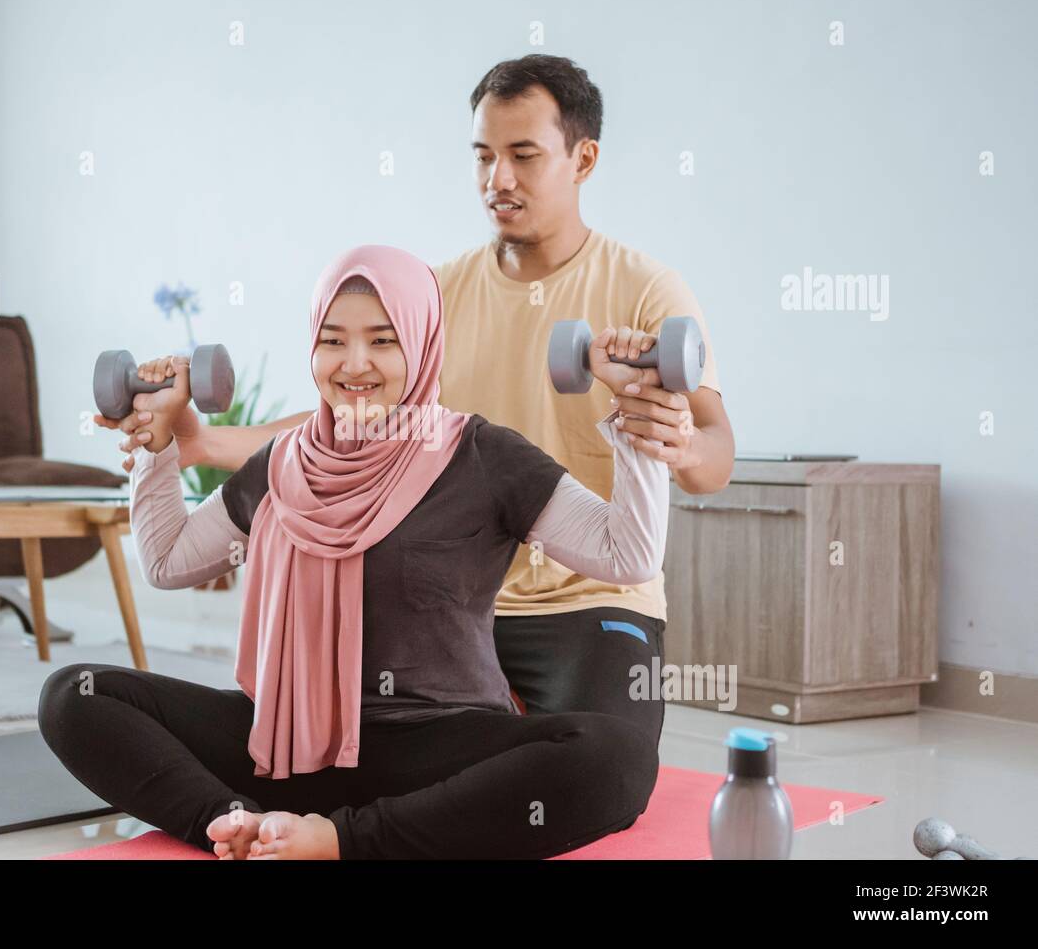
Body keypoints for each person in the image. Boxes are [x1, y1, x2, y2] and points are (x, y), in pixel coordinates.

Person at [100, 56, 735, 746]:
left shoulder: (647, 289)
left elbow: (715, 459)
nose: (499, 180)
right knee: (346, 738)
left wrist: (672, 438)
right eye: (484, 156)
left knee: (608, 757)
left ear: (583, 159)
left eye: (523, 155)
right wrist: (192, 442)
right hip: (445, 591)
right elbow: (347, 426)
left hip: (586, 595)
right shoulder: (430, 294)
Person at [39, 243, 672, 859]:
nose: (354, 363)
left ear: (422, 344)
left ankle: (347, 840)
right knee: (75, 694)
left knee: (616, 756)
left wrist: (639, 416)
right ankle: (235, 826)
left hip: (436, 749)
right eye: (333, 340)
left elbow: (627, 554)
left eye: (383, 339)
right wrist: (156, 444)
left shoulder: (482, 455)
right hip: (286, 747)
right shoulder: (283, 465)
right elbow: (167, 561)